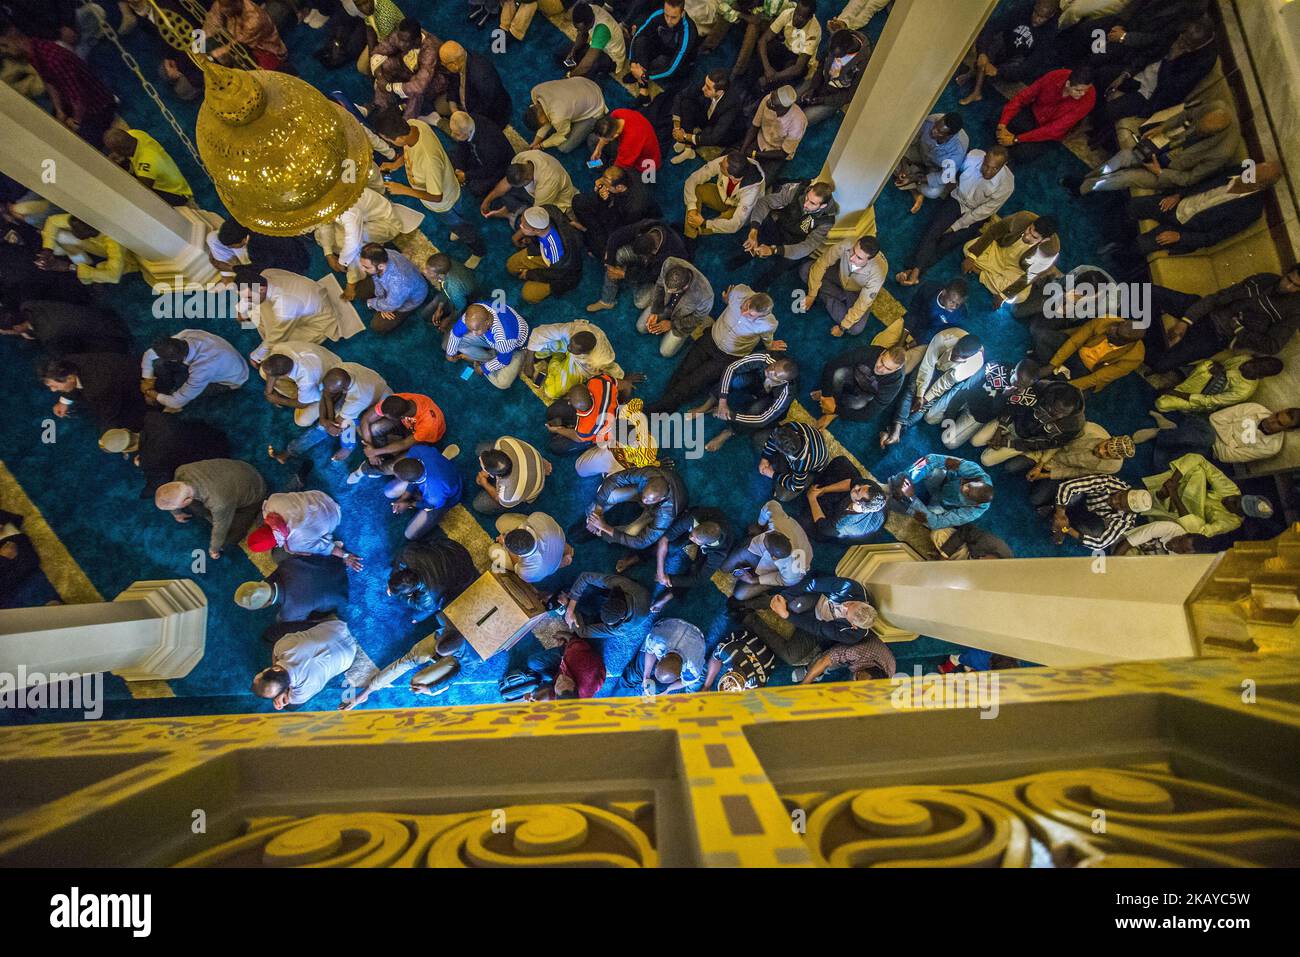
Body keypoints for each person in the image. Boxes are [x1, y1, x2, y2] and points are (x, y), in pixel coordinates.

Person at [372, 110, 486, 266]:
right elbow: (407, 152)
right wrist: (395, 165)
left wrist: (403, 190)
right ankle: (459, 226)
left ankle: (478, 250)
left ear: (399, 138)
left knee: (460, 226)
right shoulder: (414, 125)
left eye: (387, 139)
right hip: (448, 186)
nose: (389, 143)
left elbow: (436, 196)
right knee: (458, 217)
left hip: (444, 203)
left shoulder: (428, 160)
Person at [649, 285, 780, 414]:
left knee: (694, 382)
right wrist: (727, 300)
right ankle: (667, 404)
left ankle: (658, 408)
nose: (743, 312)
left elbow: (767, 337)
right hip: (710, 339)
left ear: (762, 316)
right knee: (683, 370)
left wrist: (770, 345)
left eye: (750, 315)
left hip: (728, 356)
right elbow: (729, 299)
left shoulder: (768, 324)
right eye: (745, 305)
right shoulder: (740, 291)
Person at [896, 146, 1014, 287]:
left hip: (975, 215)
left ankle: (913, 270)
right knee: (933, 231)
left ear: (1003, 165)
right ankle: (915, 272)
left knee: (946, 243)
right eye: (986, 165)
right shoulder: (973, 157)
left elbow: (983, 212)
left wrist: (954, 227)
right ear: (983, 158)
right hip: (957, 199)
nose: (987, 171)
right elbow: (954, 172)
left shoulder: (1006, 186)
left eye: (994, 169)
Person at [1071, 101, 1239, 195]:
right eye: (1199, 127)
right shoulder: (1215, 106)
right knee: (1123, 157)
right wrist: (1163, 127)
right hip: (1164, 148)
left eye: (1203, 133)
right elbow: (1187, 115)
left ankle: (1083, 189)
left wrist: (1160, 172)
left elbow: (1190, 179)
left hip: (1168, 172)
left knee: (1124, 177)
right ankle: (1085, 181)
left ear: (1215, 134)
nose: (1197, 131)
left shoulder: (1222, 152)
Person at [1149, 268, 1300, 372]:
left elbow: (1272, 346)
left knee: (1160, 365)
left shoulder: (1293, 312)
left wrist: (1240, 331)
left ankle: (1139, 338)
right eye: (1288, 279)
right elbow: (1219, 297)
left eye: (1295, 286)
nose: (1287, 286)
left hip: (1217, 337)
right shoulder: (1265, 279)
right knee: (1150, 291)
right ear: (1286, 272)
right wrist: (1186, 321)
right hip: (1207, 311)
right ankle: (1129, 322)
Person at [1127, 163, 1282, 258]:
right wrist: (1178, 194)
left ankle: (1115, 257)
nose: (1246, 174)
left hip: (1185, 229)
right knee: (1133, 206)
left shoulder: (1251, 210)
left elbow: (1213, 237)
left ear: (1259, 186)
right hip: (1177, 204)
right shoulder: (1239, 169)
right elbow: (1201, 180)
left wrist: (1181, 237)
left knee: (1141, 245)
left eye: (1252, 176)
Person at [0, 20, 117, 143]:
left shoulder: (52, 59)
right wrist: (59, 110)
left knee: (78, 144)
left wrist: (76, 121)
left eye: (5, 45)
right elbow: (49, 82)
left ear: (13, 37)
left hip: (97, 108)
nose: (4, 51)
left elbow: (78, 98)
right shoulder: (34, 53)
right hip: (76, 104)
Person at [880, 330, 984, 448]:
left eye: (960, 357)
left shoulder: (972, 365)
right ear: (957, 342)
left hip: (948, 376)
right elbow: (927, 366)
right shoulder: (942, 339)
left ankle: (892, 431)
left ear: (969, 357)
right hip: (932, 363)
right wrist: (919, 394)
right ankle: (895, 431)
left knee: (923, 408)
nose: (955, 357)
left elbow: (945, 383)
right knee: (912, 389)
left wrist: (925, 398)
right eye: (955, 352)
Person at [272, 362, 390, 465]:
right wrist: (324, 419)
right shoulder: (341, 368)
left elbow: (338, 425)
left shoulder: (358, 399)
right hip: (361, 391)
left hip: (378, 407)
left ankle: (348, 447)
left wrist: (327, 424)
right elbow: (326, 393)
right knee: (327, 420)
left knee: (342, 425)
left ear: (343, 390)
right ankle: (292, 450)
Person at [100, 410, 232, 499]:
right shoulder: (154, 418)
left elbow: (157, 487)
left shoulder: (151, 461)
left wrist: (142, 467)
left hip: (212, 462)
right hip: (211, 436)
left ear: (126, 450)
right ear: (126, 430)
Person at [154, 459, 267, 560]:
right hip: (238, 469)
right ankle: (216, 515)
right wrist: (176, 513)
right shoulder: (182, 471)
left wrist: (214, 549)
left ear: (187, 500)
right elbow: (171, 495)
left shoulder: (219, 502)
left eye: (178, 506)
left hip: (255, 491)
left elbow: (220, 529)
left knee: (228, 539)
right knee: (199, 508)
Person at [732, 179, 837, 287]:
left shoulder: (826, 221)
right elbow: (765, 202)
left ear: (823, 206)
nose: (805, 204)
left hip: (796, 242)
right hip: (780, 225)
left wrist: (774, 250)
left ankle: (758, 287)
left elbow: (807, 247)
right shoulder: (797, 190)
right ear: (809, 190)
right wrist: (754, 230)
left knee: (781, 267)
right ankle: (741, 258)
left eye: (812, 203)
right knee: (759, 234)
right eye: (807, 198)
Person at [315, 187, 423, 290]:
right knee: (320, 234)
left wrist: (342, 263)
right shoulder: (325, 200)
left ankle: (356, 276)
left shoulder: (348, 211)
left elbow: (353, 244)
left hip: (386, 224)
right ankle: (368, 249)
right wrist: (328, 253)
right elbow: (325, 222)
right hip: (364, 221)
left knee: (345, 244)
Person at [1143, 453, 1272, 538]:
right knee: (1198, 471)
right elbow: (1199, 459)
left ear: (1240, 514)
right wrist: (1174, 482)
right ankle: (1156, 491)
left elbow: (1199, 532)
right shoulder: (1232, 490)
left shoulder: (1231, 522)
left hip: (1181, 512)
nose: (1231, 498)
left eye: (1234, 504)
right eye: (1238, 498)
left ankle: (1152, 508)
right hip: (1182, 491)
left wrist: (1174, 496)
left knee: (1195, 526)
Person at [235, 267, 345, 363]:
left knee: (280, 349)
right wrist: (242, 308)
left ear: (261, 289)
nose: (246, 300)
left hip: (317, 320)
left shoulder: (286, 304)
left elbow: (277, 336)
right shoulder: (266, 273)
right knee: (257, 311)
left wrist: (257, 356)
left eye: (248, 297)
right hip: (296, 305)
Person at [1143, 404, 1300, 472]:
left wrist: (1224, 434)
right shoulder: (1256, 409)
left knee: (1161, 466)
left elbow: (1228, 456)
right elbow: (1216, 418)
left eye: (1279, 423)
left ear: (1287, 430)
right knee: (1207, 437)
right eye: (1276, 415)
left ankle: (1167, 429)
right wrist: (1229, 441)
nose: (1272, 420)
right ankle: (1158, 433)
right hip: (1204, 425)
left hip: (1212, 452)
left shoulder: (1272, 447)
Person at [957, 0, 1060, 104]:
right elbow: (992, 27)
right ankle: (976, 91)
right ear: (1035, 6)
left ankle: (977, 73)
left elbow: (1031, 65)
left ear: (1051, 15)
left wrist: (999, 71)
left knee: (1013, 72)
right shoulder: (1023, 8)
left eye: (1042, 17)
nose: (1036, 19)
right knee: (987, 48)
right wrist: (982, 52)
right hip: (1006, 42)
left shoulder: (1051, 32)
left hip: (1020, 57)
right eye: (1035, 13)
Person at [633, 506, 733, 611]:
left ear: (705, 544)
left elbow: (699, 579)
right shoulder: (694, 518)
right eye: (692, 534)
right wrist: (660, 571)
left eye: (694, 539)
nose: (690, 538)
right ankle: (638, 556)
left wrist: (670, 579)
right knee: (672, 546)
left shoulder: (719, 553)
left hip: (714, 544)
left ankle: (670, 595)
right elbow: (664, 539)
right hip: (707, 519)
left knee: (695, 570)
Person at [697, 352, 798, 452]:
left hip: (769, 399)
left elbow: (762, 419)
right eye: (774, 366)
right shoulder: (766, 358)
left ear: (783, 381)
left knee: (755, 410)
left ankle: (729, 432)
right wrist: (723, 400)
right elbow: (731, 368)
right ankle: (710, 402)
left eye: (775, 375)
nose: (770, 371)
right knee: (737, 380)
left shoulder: (787, 392)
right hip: (756, 382)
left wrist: (731, 415)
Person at [995, 67, 1095, 164]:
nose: (1083, 94)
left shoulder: (1088, 100)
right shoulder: (1054, 76)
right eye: (1078, 90)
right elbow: (1022, 97)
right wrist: (1002, 125)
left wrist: (1016, 139)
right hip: (1034, 113)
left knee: (1021, 154)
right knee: (998, 118)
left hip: (1049, 134)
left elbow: (1053, 130)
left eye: (1086, 90)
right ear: (1068, 84)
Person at [720, 498, 812, 603]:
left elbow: (782, 580)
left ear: (774, 557)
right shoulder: (777, 522)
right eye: (768, 534)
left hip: (775, 571)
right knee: (724, 567)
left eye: (765, 540)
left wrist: (753, 580)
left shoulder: (793, 573)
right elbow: (771, 504)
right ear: (779, 533)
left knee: (739, 594)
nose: (765, 536)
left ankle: (759, 581)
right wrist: (760, 525)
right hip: (773, 546)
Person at [252, 619, 358, 710]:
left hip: (349, 655)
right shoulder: (284, 646)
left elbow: (289, 698)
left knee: (289, 706)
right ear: (275, 669)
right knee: (270, 634)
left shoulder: (303, 691)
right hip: (337, 627)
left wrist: (282, 692)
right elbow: (275, 652)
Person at [961, 211, 1060, 306]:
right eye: (1029, 229)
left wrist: (1004, 295)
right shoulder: (1023, 218)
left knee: (1020, 296)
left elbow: (1030, 276)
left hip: (1015, 269)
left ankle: (979, 272)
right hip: (999, 251)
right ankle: (991, 279)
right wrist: (972, 257)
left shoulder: (1050, 251)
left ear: (1044, 240)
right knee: (968, 249)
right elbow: (993, 231)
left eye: (1034, 237)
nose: (1027, 236)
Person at [577, 466, 686, 551]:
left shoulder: (666, 514)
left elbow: (642, 542)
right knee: (609, 495)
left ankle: (600, 532)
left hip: (654, 513)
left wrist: (605, 527)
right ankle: (592, 519)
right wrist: (598, 510)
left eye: (649, 500)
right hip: (642, 491)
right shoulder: (649, 474)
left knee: (631, 532)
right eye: (644, 496)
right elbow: (614, 479)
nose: (644, 501)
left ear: (660, 499)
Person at [1037, 473, 1153, 551]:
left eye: (1120, 505)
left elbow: (1101, 543)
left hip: (1089, 517)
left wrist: (1067, 529)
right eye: (1120, 495)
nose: (1114, 500)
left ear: (1128, 511)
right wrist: (1060, 514)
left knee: (1096, 532)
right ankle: (1056, 513)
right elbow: (1068, 487)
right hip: (1081, 500)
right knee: (1040, 497)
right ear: (1126, 490)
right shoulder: (1111, 482)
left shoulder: (1126, 520)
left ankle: (1058, 521)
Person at [800, 234, 887, 338]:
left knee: (855, 328)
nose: (852, 258)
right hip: (839, 275)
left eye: (859, 258)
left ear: (869, 260)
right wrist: (811, 295)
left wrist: (842, 327)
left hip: (856, 293)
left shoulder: (879, 272)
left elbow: (863, 303)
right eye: (853, 251)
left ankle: (828, 296)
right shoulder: (848, 243)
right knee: (805, 270)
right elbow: (822, 263)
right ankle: (833, 296)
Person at [40, 352, 148, 435]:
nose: (53, 390)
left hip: (135, 384)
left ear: (70, 378)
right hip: (123, 363)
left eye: (55, 386)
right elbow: (70, 384)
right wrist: (64, 401)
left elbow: (110, 413)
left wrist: (108, 435)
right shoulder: (67, 362)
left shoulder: (97, 389)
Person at [139, 329, 247, 411]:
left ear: (175, 360)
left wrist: (151, 393)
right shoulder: (186, 335)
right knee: (159, 363)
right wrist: (148, 380)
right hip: (221, 359)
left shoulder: (202, 369)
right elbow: (149, 354)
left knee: (178, 393)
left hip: (231, 380)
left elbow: (177, 402)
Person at [251, 490, 362, 570]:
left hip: (335, 516)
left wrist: (346, 556)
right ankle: (298, 479)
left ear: (275, 544)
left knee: (284, 556)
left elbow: (329, 548)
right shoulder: (271, 502)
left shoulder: (295, 544)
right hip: (320, 496)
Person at [234, 552, 351, 628]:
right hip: (335, 565)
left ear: (266, 604)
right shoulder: (287, 565)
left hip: (340, 594)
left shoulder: (289, 614)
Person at [350, 391, 447, 481]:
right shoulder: (396, 400)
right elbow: (366, 419)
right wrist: (371, 449)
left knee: (394, 466)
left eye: (386, 416)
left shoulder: (428, 423)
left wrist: (373, 452)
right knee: (374, 428)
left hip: (424, 439)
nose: (381, 416)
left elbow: (404, 443)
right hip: (407, 426)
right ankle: (381, 457)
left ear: (401, 416)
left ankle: (366, 469)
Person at [569, 165, 657, 260]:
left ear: (619, 187)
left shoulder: (634, 207)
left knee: (602, 250)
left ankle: (587, 231)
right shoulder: (625, 172)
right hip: (613, 207)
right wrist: (601, 192)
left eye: (606, 186)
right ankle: (590, 231)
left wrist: (606, 201)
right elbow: (606, 176)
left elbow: (621, 229)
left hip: (627, 221)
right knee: (578, 201)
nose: (601, 184)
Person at [384, 538, 477, 627]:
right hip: (450, 547)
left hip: (462, 566)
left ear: (410, 593)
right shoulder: (407, 554)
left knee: (442, 602)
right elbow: (399, 565)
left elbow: (429, 608)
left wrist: (417, 617)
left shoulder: (429, 597)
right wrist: (393, 584)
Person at [886, 454, 994, 530]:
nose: (963, 488)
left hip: (942, 505)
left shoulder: (975, 512)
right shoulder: (976, 471)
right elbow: (931, 459)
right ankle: (897, 486)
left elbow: (937, 523)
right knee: (925, 465)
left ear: (974, 503)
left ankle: (894, 499)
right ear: (977, 481)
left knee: (926, 520)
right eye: (967, 485)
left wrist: (912, 497)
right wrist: (907, 479)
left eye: (966, 494)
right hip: (943, 480)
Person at [1039, 317, 1146, 394]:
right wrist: (1052, 365)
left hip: (1089, 371)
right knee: (1043, 336)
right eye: (1118, 325)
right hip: (1076, 351)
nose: (1111, 328)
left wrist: (1068, 386)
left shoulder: (1135, 358)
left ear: (1124, 341)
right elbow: (1074, 342)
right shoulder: (1107, 321)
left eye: (1116, 333)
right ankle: (1056, 371)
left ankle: (1057, 378)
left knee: (1070, 397)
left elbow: (1097, 377)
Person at [523, 321, 624, 400]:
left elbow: (611, 370)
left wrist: (622, 380)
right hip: (573, 350)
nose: (569, 348)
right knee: (537, 351)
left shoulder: (598, 359)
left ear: (586, 352)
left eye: (573, 348)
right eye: (571, 343)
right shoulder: (573, 330)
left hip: (581, 366)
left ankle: (556, 360)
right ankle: (557, 360)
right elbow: (538, 332)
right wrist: (529, 363)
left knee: (551, 392)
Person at [811, 344, 905, 428]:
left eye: (888, 369)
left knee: (859, 405)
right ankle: (831, 395)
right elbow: (832, 365)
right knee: (839, 374)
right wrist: (827, 395)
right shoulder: (869, 352)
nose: (880, 369)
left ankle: (832, 413)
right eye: (882, 361)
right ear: (882, 353)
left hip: (866, 394)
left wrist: (835, 410)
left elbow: (869, 414)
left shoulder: (895, 382)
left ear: (896, 369)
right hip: (852, 376)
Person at [444, 300, 530, 390]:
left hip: (516, 347)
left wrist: (483, 369)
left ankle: (487, 360)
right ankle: (489, 357)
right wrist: (450, 353)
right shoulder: (475, 311)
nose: (474, 333)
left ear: (487, 323)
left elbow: (504, 360)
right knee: (458, 342)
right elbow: (456, 332)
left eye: (476, 329)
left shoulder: (504, 340)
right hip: (495, 339)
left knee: (502, 382)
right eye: (471, 329)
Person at [1154, 355, 1282, 415]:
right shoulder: (1245, 358)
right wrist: (1218, 366)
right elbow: (1222, 365)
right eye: (1254, 361)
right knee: (1207, 365)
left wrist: (1175, 393)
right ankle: (1176, 388)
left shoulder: (1244, 391)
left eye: (1254, 367)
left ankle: (1176, 395)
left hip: (1203, 398)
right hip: (1204, 382)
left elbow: (1210, 401)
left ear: (1260, 376)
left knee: (1161, 404)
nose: (1247, 364)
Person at [638, 258, 715, 358]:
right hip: (665, 305)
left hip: (684, 317)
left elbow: (697, 319)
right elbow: (660, 286)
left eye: (671, 291)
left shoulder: (705, 295)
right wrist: (655, 311)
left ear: (684, 288)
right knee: (641, 327)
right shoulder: (669, 263)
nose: (668, 291)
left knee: (665, 352)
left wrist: (672, 324)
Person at [258, 341, 344, 429]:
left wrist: (278, 400)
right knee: (263, 371)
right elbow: (271, 368)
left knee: (301, 421)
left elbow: (302, 404)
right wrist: (268, 391)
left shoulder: (307, 379)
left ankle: (312, 399)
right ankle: (305, 395)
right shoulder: (279, 348)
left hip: (331, 382)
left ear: (284, 374)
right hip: (323, 360)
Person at [506, 205, 583, 304]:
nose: (520, 226)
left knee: (528, 294)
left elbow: (557, 274)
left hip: (560, 272)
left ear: (536, 231)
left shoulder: (557, 254)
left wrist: (530, 274)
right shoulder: (545, 212)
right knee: (511, 265)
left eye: (524, 226)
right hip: (542, 252)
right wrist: (526, 237)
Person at [682, 150, 765, 241]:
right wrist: (692, 207)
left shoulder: (752, 192)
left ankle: (700, 229)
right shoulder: (728, 160)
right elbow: (693, 179)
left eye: (722, 166)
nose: (719, 163)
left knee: (728, 223)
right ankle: (690, 235)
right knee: (698, 189)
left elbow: (734, 225)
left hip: (737, 208)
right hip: (722, 195)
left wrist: (705, 223)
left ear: (732, 177)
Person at [893, 112, 968, 214]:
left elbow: (945, 177)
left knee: (933, 193)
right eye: (935, 126)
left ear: (949, 137)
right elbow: (910, 141)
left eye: (939, 132)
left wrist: (914, 178)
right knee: (892, 156)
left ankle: (915, 178)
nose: (933, 131)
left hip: (936, 168)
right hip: (920, 152)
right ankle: (915, 189)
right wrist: (903, 166)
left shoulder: (957, 152)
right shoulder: (931, 120)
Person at [627, 0, 700, 104]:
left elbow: (673, 67)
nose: (669, 21)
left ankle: (640, 78)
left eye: (674, 17)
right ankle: (643, 88)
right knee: (641, 41)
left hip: (679, 61)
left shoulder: (689, 31)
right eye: (666, 15)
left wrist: (644, 76)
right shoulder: (659, 14)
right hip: (662, 45)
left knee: (660, 63)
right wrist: (632, 62)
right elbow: (639, 35)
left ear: (682, 13)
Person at [368, 17, 442, 119]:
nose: (401, 44)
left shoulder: (430, 49)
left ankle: (407, 122)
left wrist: (388, 87)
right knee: (385, 65)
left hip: (431, 81)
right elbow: (378, 52)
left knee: (416, 93)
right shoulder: (400, 35)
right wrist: (380, 77)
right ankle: (381, 107)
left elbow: (419, 86)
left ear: (417, 40)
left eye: (405, 41)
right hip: (407, 68)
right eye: (400, 39)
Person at [385, 445, 464, 539]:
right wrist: (404, 497)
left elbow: (430, 505)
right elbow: (414, 477)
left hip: (441, 497)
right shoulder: (417, 450)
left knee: (410, 534)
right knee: (388, 491)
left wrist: (410, 504)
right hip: (433, 475)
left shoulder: (435, 494)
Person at [668, 69, 746, 165]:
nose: (703, 88)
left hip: (726, 132)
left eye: (708, 88)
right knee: (686, 103)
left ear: (720, 92)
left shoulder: (732, 104)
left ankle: (689, 150)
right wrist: (677, 128)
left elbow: (714, 137)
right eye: (705, 84)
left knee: (708, 132)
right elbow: (680, 95)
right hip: (708, 116)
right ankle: (687, 145)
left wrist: (684, 136)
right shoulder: (709, 82)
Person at [798, 25, 869, 127]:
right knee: (792, 97)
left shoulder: (863, 63)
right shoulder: (836, 39)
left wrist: (823, 100)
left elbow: (848, 95)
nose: (834, 58)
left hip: (835, 96)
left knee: (803, 120)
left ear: (848, 49)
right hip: (821, 81)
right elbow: (821, 65)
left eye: (837, 56)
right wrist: (813, 88)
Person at [805, 457, 887, 544]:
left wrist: (812, 498)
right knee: (841, 461)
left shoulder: (844, 523)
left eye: (858, 490)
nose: (856, 487)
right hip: (848, 502)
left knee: (807, 523)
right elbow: (851, 483)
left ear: (858, 503)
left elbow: (824, 527)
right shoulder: (872, 488)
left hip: (834, 525)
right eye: (861, 486)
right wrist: (823, 490)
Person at [502, 633, 607, 701]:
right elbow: (575, 640)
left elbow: (552, 688)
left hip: (571, 666)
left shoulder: (564, 696)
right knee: (533, 662)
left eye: (558, 684)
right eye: (565, 680)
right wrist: (565, 637)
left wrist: (535, 697)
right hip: (581, 655)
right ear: (575, 686)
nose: (560, 678)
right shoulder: (579, 661)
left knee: (534, 667)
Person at [38, 214, 139, 285]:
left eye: (79, 231)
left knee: (101, 268)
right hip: (95, 244)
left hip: (129, 256)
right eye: (73, 227)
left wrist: (71, 267)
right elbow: (52, 221)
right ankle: (82, 263)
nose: (74, 232)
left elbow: (113, 277)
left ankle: (86, 274)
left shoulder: (115, 242)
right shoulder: (82, 217)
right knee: (58, 235)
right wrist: (47, 249)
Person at [103, 127, 193, 206]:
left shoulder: (146, 166)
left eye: (115, 151)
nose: (114, 153)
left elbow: (142, 192)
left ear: (123, 151)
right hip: (157, 170)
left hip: (177, 193)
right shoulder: (134, 133)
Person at [481, 150, 577, 224]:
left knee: (529, 229)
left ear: (527, 179)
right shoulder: (520, 159)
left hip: (559, 204)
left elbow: (536, 214)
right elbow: (506, 183)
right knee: (505, 193)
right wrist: (487, 200)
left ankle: (510, 215)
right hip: (536, 193)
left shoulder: (548, 182)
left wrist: (517, 235)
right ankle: (516, 211)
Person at [353, 244, 428, 334]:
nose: (362, 269)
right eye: (362, 265)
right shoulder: (383, 254)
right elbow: (376, 276)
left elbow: (391, 305)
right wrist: (380, 298)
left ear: (380, 266)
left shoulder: (399, 284)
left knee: (378, 325)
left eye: (366, 267)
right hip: (396, 289)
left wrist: (371, 303)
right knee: (360, 291)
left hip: (408, 299)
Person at [562, 571, 653, 645]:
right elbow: (585, 576)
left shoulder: (620, 629)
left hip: (642, 601)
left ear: (621, 618)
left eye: (609, 623)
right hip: (638, 594)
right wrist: (570, 608)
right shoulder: (621, 584)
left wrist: (567, 606)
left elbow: (583, 632)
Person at [435, 41, 512, 127]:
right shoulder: (461, 58)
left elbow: (485, 108)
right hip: (466, 101)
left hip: (489, 115)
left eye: (444, 64)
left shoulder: (481, 77)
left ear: (454, 65)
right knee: (438, 106)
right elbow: (453, 82)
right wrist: (453, 107)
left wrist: (466, 119)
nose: (443, 65)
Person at [622, 618, 706, 696]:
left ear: (679, 676)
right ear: (661, 659)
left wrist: (668, 689)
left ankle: (624, 691)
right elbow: (649, 651)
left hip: (696, 636)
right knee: (637, 673)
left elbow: (685, 682)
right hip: (673, 622)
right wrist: (646, 675)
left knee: (656, 687)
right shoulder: (657, 640)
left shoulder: (693, 670)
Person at [524, 77, 608, 154]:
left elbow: (562, 135)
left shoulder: (558, 117)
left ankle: (594, 122)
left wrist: (541, 145)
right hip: (584, 82)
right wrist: (536, 141)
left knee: (564, 147)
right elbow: (544, 114)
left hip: (596, 106)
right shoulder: (535, 91)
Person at [741, 84, 806, 180]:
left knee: (759, 182)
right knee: (735, 164)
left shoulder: (798, 122)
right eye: (772, 96)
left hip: (776, 154)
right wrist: (743, 150)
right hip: (760, 140)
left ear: (783, 108)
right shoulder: (768, 98)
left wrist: (755, 154)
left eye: (772, 103)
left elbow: (784, 153)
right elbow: (755, 126)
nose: (768, 101)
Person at [445, 111, 513, 200]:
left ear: (466, 134)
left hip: (498, 167)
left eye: (456, 134)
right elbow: (463, 146)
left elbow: (489, 170)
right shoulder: (469, 121)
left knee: (476, 188)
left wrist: (466, 175)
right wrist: (459, 168)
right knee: (452, 157)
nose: (452, 135)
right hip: (480, 156)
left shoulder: (488, 145)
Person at [490, 510, 572, 584]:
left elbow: (516, 564)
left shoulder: (528, 572)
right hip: (556, 537)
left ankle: (561, 561)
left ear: (517, 554)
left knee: (493, 551)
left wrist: (506, 547)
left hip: (543, 567)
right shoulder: (538, 517)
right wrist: (507, 537)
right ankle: (567, 550)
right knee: (500, 522)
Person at [207, 219, 310, 276]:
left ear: (243, 240)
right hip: (297, 245)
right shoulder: (255, 222)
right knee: (212, 237)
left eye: (232, 246)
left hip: (295, 265)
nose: (231, 248)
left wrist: (230, 268)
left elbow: (258, 268)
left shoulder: (255, 248)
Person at [756, 0, 820, 93]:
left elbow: (798, 67)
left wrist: (773, 76)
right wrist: (767, 68)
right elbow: (763, 40)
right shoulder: (787, 13)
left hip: (799, 58)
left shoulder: (815, 30)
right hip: (786, 48)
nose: (796, 18)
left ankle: (767, 94)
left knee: (790, 75)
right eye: (796, 12)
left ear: (809, 18)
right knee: (766, 49)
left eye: (801, 17)